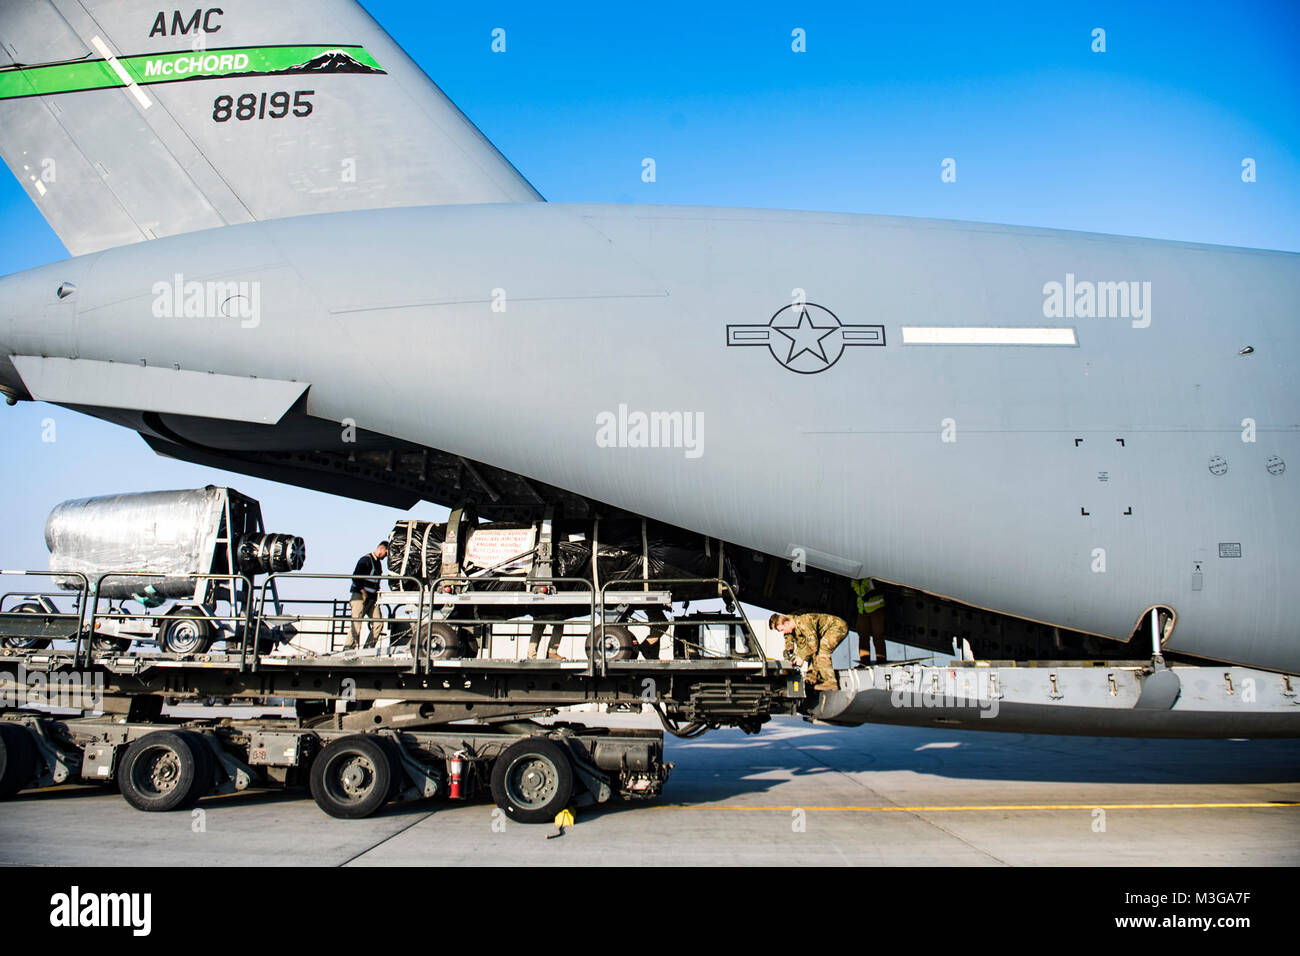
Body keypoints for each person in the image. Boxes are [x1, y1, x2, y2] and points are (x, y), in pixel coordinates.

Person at [768, 611, 848, 691]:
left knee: (822, 652)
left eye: (782, 630)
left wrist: (801, 657)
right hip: (824, 632)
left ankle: (831, 683)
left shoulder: (803, 622)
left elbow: (813, 646)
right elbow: (792, 639)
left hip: (837, 627)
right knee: (811, 654)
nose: (783, 632)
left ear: (786, 624)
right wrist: (790, 651)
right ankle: (812, 680)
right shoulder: (791, 625)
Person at [344, 541, 388, 650]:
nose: (386, 556)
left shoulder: (378, 563)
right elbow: (356, 577)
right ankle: (348, 649)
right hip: (360, 597)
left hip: (372, 598)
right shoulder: (366, 560)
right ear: (381, 549)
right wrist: (363, 593)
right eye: (386, 553)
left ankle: (368, 649)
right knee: (356, 624)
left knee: (379, 623)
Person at [851, 576, 888, 666]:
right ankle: (864, 660)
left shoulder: (870, 578)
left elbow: (882, 589)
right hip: (862, 611)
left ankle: (881, 660)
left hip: (876, 609)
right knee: (863, 636)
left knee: (878, 636)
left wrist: (871, 594)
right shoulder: (854, 581)